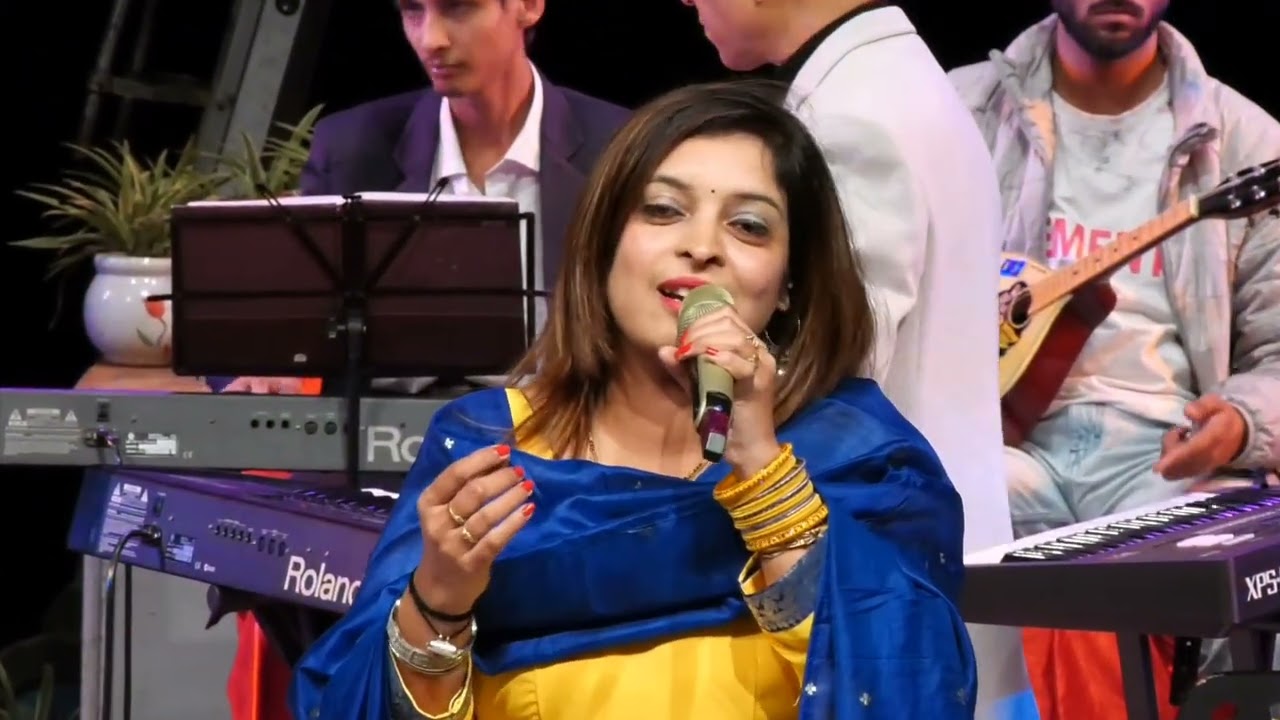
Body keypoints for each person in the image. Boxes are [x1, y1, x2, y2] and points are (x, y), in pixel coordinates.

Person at [292, 79, 977, 720]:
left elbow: (901, 691)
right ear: (604, 244)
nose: (701, 247)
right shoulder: (490, 449)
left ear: (788, 284)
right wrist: (439, 601)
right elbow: (352, 699)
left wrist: (765, 472)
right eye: (664, 210)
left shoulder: (856, 460)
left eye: (748, 226)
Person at [679, 1, 1036, 717]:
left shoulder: (855, 116)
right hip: (934, 573)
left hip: (883, 589)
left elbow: (832, 372)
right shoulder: (902, 79)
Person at [949, 2, 1280, 717]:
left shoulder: (1245, 138)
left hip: (1164, 456)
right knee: (916, 513)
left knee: (1224, 576)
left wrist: (1241, 421)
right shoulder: (961, 112)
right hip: (1005, 446)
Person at [214, 0, 629, 394]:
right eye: (412, 10)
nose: (431, 39)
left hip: (563, 423)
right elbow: (283, 326)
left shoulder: (617, 145)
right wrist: (277, 365)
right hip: (385, 425)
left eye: (458, 8)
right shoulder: (352, 147)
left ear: (529, 6)